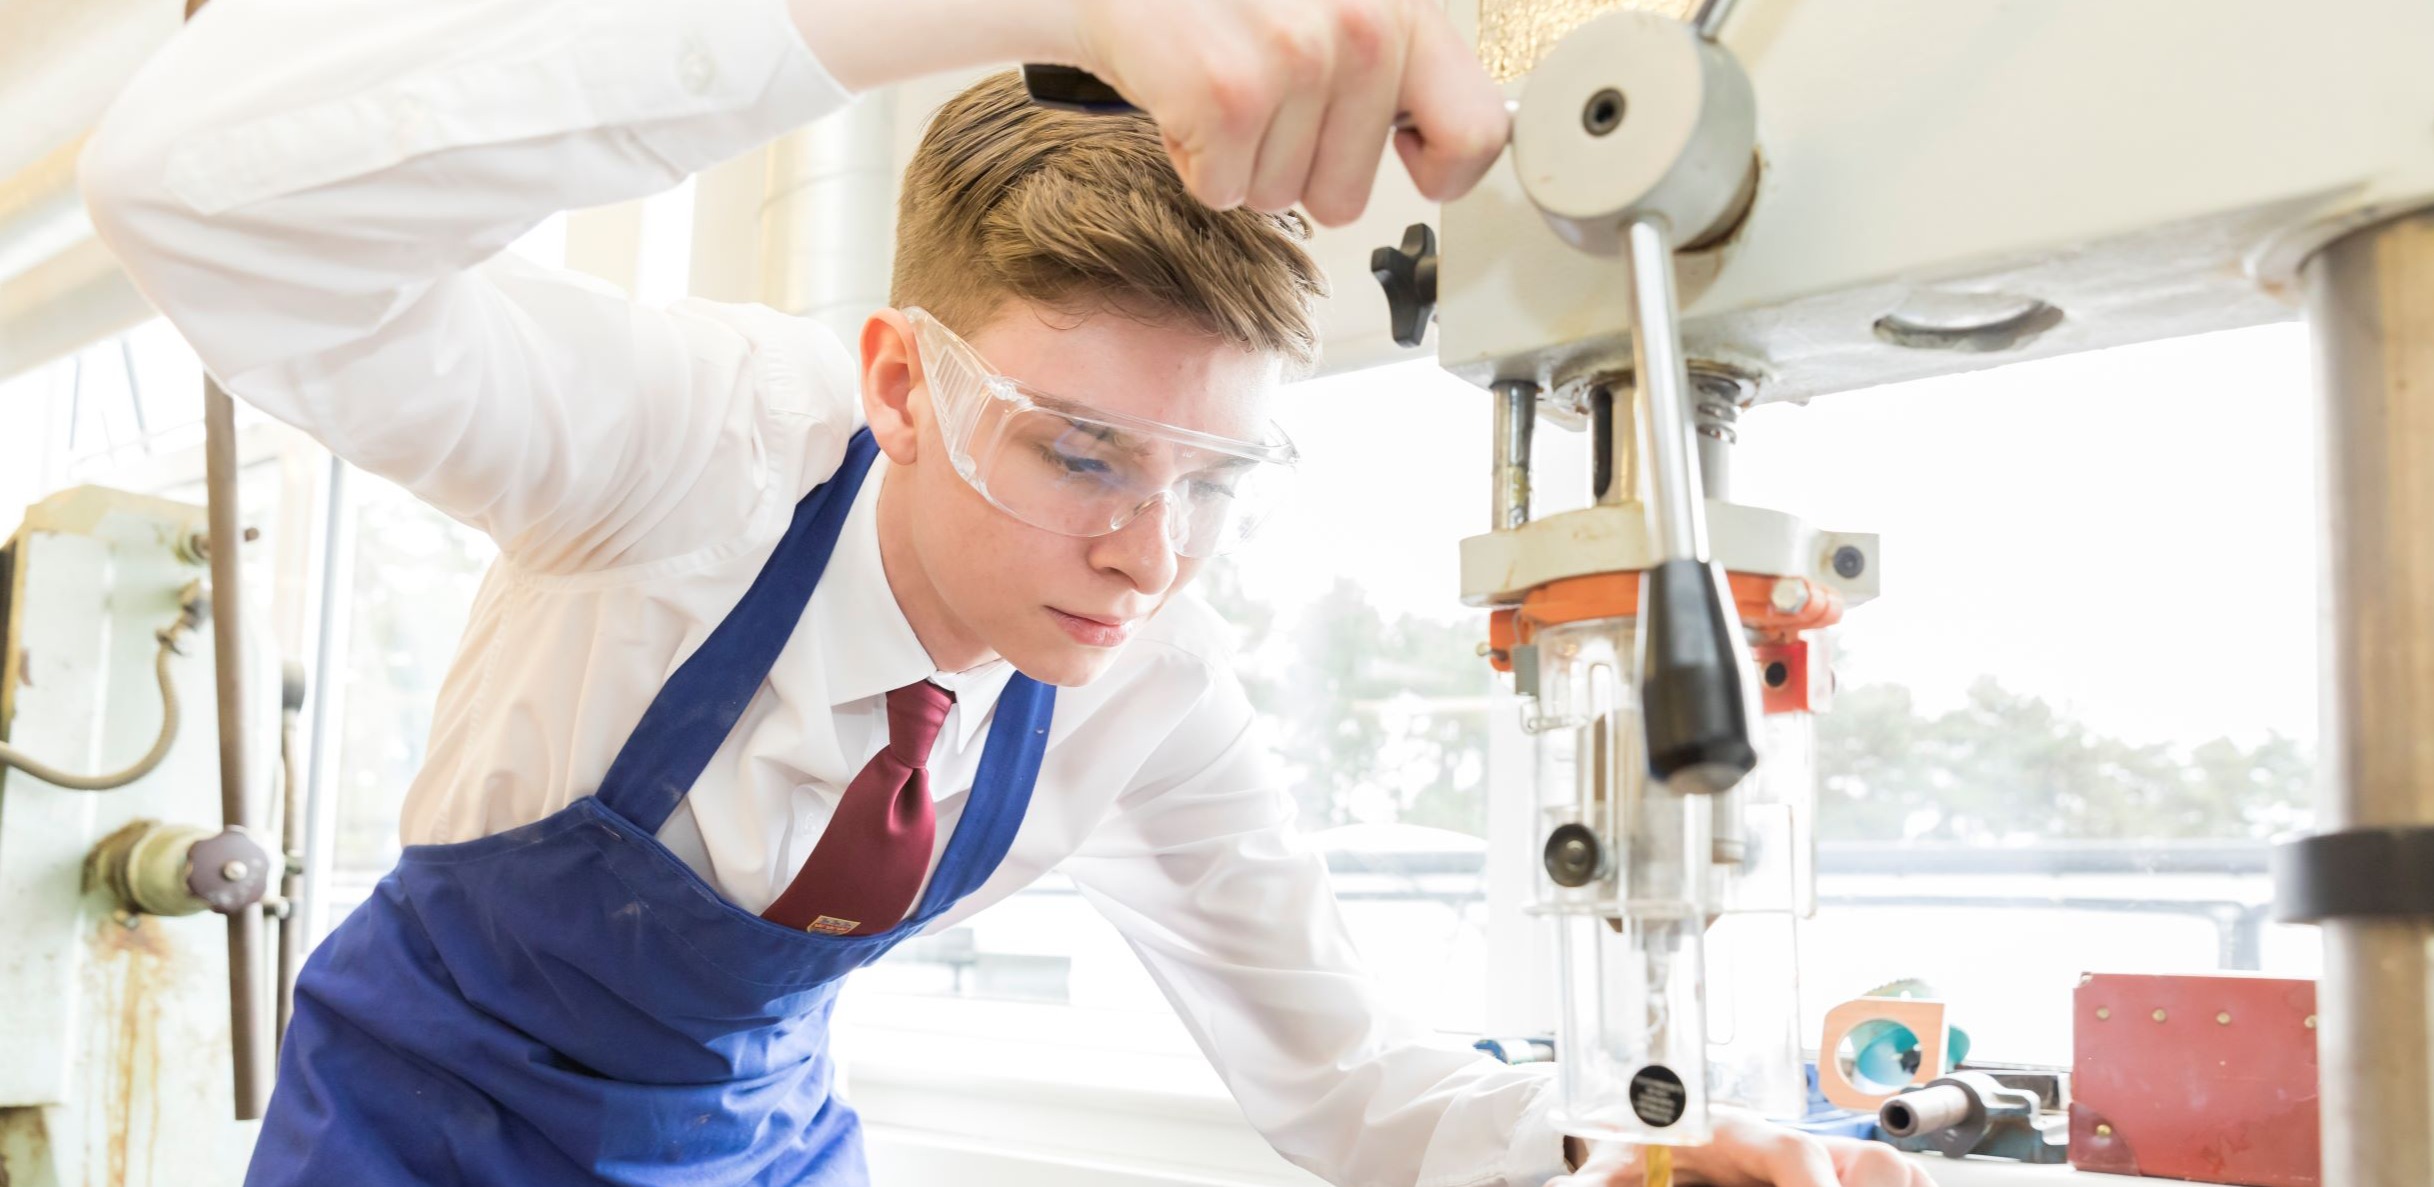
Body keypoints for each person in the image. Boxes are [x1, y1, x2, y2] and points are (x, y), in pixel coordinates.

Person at [82, 1, 1935, 1184]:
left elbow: (1343, 1075)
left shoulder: (1147, 687)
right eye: (1080, 453)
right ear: (899, 380)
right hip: (415, 1143)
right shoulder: (689, 446)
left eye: (1211, 478)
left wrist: (1609, 1154)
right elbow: (189, 192)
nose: (1151, 551)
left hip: (763, 1159)